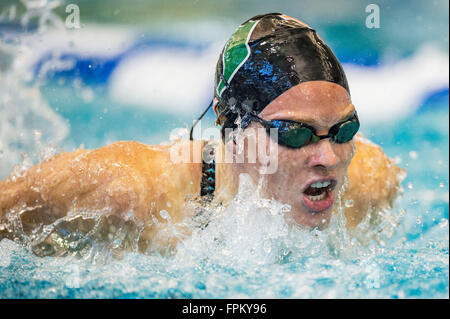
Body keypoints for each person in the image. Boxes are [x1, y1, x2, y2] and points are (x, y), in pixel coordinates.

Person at [0, 13, 405, 256]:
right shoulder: (128, 192)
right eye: (295, 135)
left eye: (343, 129)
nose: (328, 157)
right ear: (229, 123)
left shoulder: (370, 185)